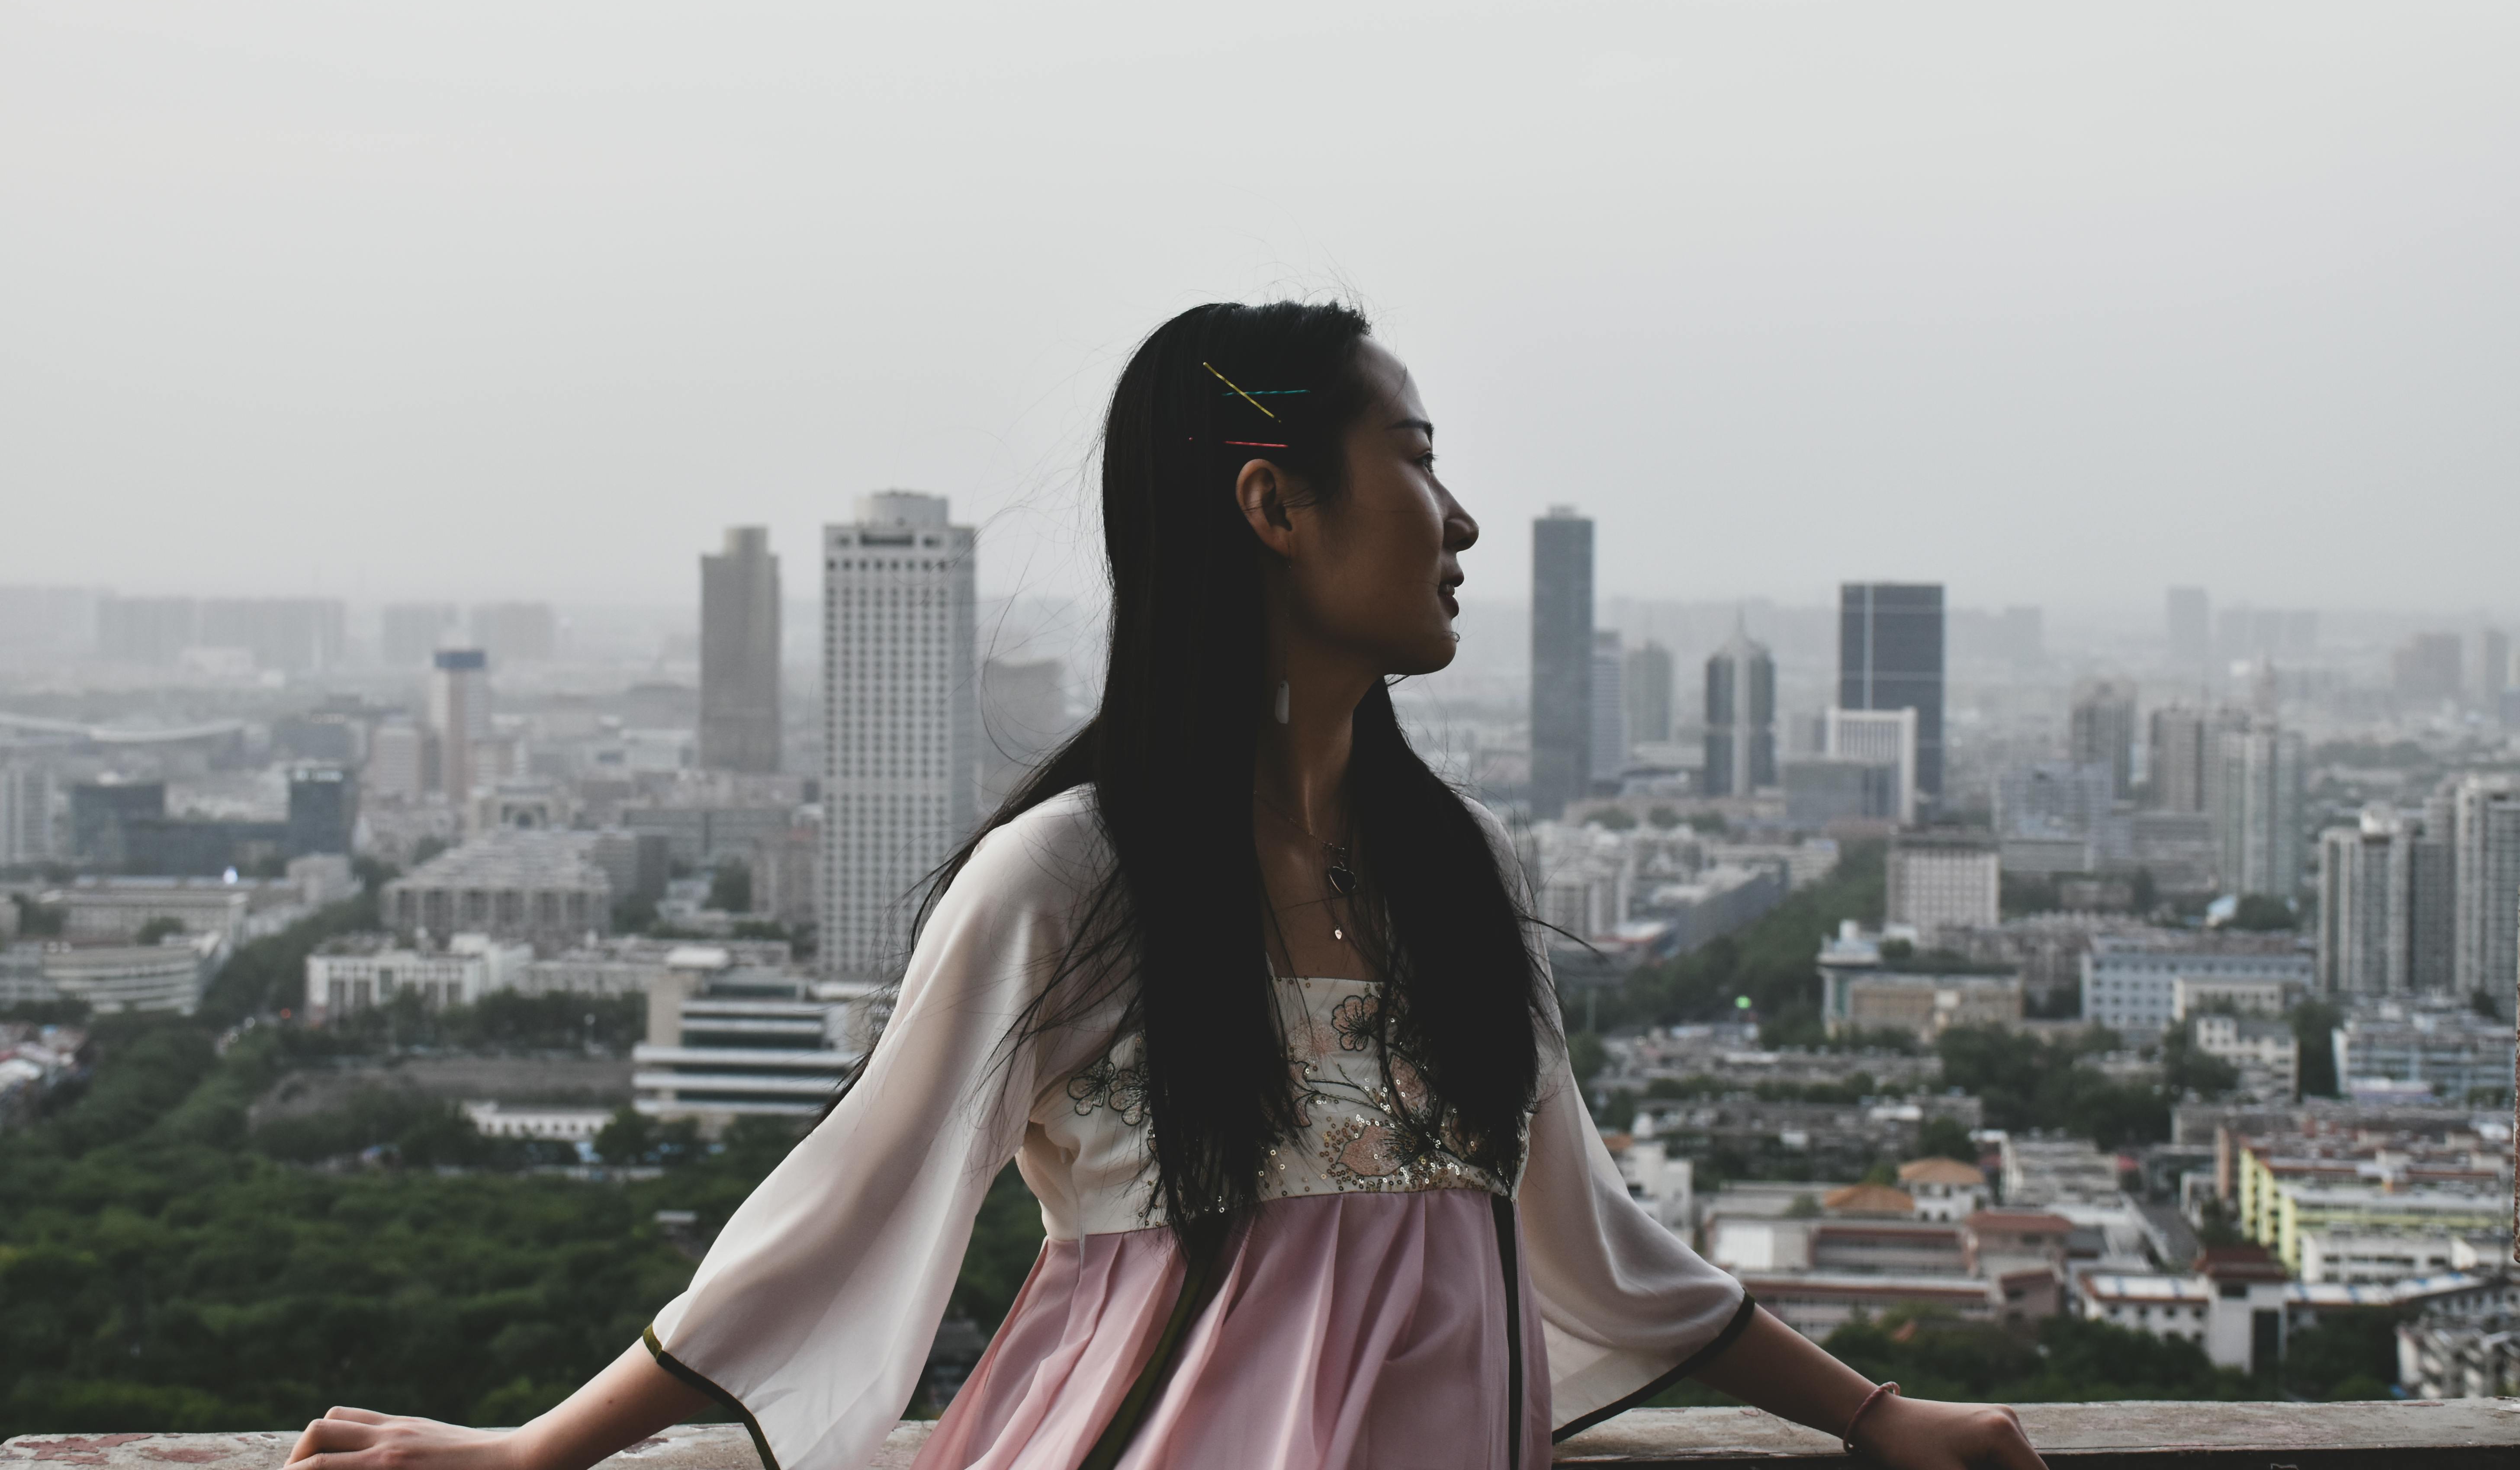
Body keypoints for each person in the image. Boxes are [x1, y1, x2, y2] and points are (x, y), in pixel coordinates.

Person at [289, 304, 2044, 1470]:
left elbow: (1587, 1236)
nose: (1459, 521)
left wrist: (1874, 1415)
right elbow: (843, 1211)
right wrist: (535, 1452)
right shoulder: (1072, 881)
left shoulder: (1457, 874)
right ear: (1274, 503)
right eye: (1418, 456)